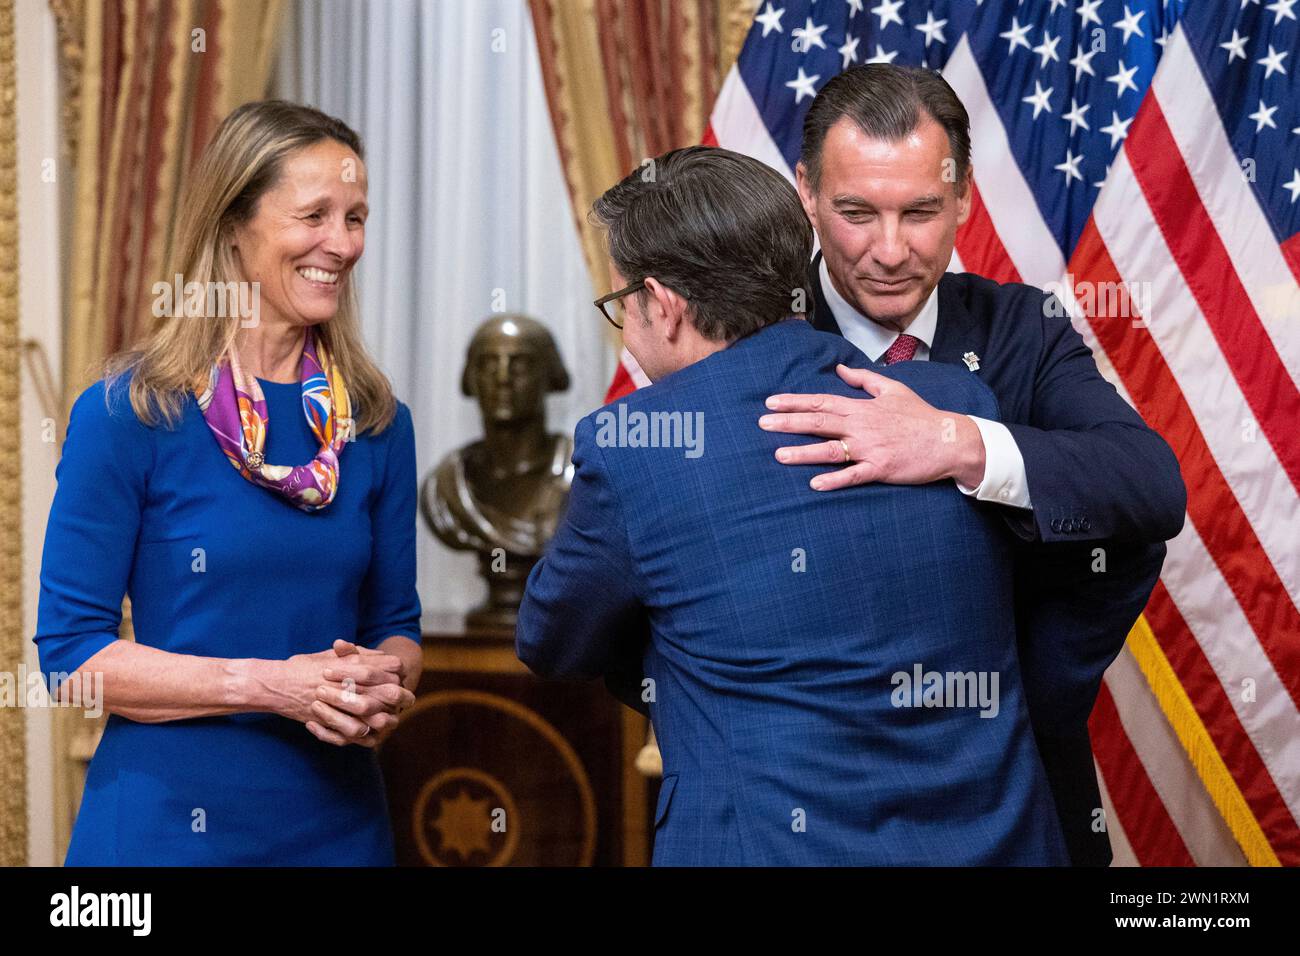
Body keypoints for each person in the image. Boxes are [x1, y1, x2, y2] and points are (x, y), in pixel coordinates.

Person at [517, 146, 1069, 865]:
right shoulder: (953, 407)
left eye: (623, 305)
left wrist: (677, 641)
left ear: (664, 304)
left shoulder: (634, 450)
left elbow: (551, 643)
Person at [758, 64, 1187, 865]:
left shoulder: (1026, 328)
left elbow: (1149, 485)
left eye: (921, 212)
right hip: (801, 811)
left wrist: (955, 443)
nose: (890, 251)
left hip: (1017, 794)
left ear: (962, 199)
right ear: (806, 193)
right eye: (856, 212)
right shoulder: (747, 337)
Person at [34, 100, 423, 865]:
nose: (342, 245)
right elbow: (71, 659)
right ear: (235, 226)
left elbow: (397, 628)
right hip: (164, 831)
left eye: (357, 217)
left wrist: (382, 687)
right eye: (315, 215)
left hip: (341, 831)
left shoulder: (377, 421)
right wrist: (274, 686)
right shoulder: (129, 412)